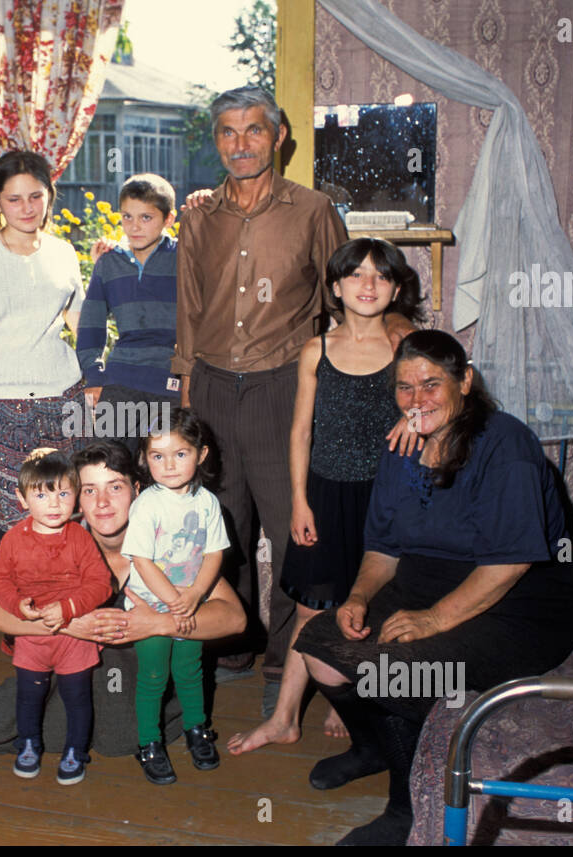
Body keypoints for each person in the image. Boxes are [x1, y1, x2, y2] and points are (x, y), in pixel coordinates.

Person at [290, 330, 573, 845]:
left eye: (432, 384)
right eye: (405, 388)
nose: (417, 399)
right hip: (426, 580)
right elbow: (383, 550)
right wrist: (360, 597)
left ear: (465, 381)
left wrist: (433, 620)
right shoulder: (402, 448)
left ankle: (406, 810)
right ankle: (371, 748)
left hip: (524, 600)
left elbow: (512, 563)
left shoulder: (506, 444)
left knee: (397, 670)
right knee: (319, 648)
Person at [172, 86, 414, 710]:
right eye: (227, 132)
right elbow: (190, 308)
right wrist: (187, 384)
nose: (240, 143)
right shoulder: (198, 214)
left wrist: (399, 337)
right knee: (220, 522)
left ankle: (287, 657)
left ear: (278, 137)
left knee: (290, 529)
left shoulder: (313, 209)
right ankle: (232, 642)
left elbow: (347, 293)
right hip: (214, 385)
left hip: (285, 383)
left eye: (254, 130)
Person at [227, 238, 425, 756]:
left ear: (396, 288)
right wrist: (299, 500)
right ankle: (284, 717)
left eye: (380, 276)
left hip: (386, 498)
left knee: (370, 605)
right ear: (335, 288)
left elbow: (443, 396)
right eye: (355, 276)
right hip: (324, 493)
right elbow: (300, 434)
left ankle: (345, 696)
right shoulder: (316, 350)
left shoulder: (406, 347)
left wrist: (413, 412)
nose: (367, 285)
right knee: (314, 607)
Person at [0, 441, 246, 758]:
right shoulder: (59, 540)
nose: (103, 503)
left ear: (137, 490)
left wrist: (157, 624)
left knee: (120, 740)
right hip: (65, 660)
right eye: (89, 490)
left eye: (115, 487)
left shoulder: (168, 544)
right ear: (75, 497)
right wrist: (68, 624)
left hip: (136, 670)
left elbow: (234, 617)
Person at [0, 150, 84, 605]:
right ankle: (13, 633)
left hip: (61, 400)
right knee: (7, 526)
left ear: (49, 196)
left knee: (65, 518)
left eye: (36, 196)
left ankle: (68, 627)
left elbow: (79, 325)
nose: (27, 208)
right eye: (14, 199)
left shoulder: (64, 253)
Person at [0, 449, 112, 784]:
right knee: (29, 695)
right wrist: (17, 606)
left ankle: (76, 750)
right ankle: (28, 743)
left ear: (75, 495)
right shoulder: (14, 539)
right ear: (22, 498)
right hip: (32, 635)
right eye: (41, 495)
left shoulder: (80, 538)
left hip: (75, 637)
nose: (54, 504)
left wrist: (69, 608)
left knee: (77, 697)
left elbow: (100, 584)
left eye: (62, 493)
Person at [123, 408, 229, 784]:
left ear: (201, 455)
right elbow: (141, 559)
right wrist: (173, 602)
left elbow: (214, 552)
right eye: (157, 456)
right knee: (154, 675)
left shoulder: (208, 503)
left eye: (180, 454)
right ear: (144, 459)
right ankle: (149, 742)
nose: (168, 465)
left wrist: (197, 593)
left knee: (190, 669)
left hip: (188, 600)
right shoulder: (148, 504)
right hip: (150, 603)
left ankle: (196, 728)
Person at [74, 174, 180, 457]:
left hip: (170, 383)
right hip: (121, 380)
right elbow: (91, 324)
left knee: (166, 469)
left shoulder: (185, 258)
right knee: (109, 465)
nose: (135, 227)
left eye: (146, 218)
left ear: (168, 219)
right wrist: (94, 375)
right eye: (127, 217)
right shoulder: (109, 263)